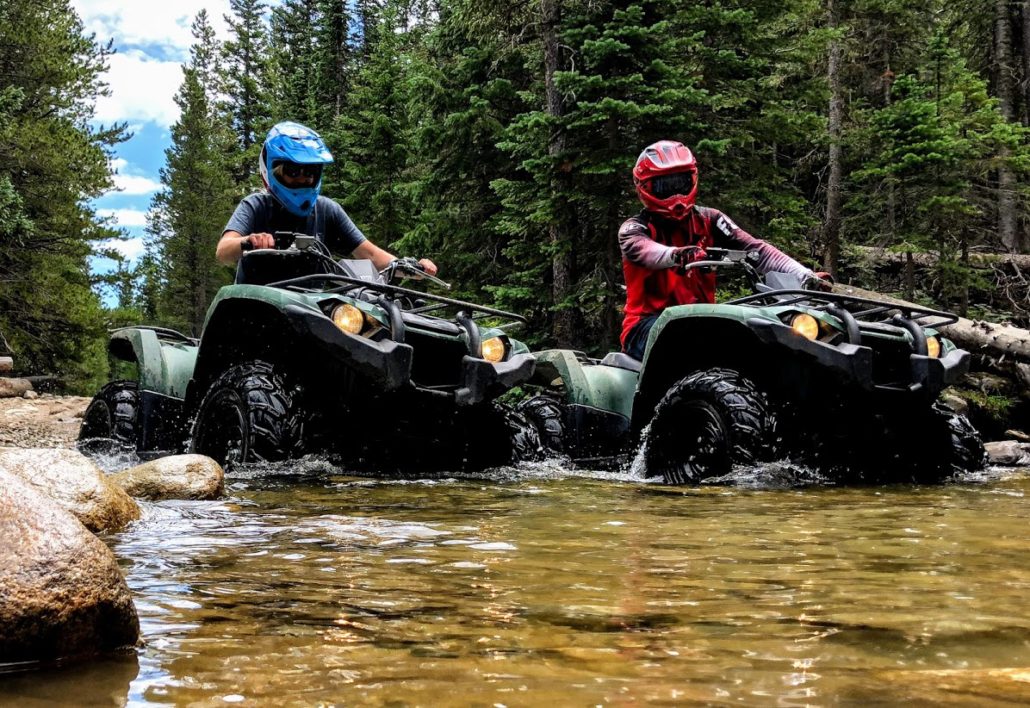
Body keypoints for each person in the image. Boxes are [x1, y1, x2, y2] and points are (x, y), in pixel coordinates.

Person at [618, 140, 829, 360]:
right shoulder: (634, 229)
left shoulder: (710, 219)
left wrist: (805, 276)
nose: (676, 196)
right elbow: (645, 251)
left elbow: (757, 250)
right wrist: (678, 255)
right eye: (665, 187)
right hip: (645, 326)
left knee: (753, 338)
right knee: (698, 343)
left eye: (681, 184)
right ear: (645, 187)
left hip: (700, 319)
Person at [217, 121, 437, 277]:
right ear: (271, 169)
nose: (303, 178)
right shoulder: (256, 205)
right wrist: (249, 241)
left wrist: (410, 267)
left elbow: (369, 254)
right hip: (254, 308)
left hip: (311, 314)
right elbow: (223, 251)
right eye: (292, 172)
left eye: (310, 172)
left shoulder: (327, 210)